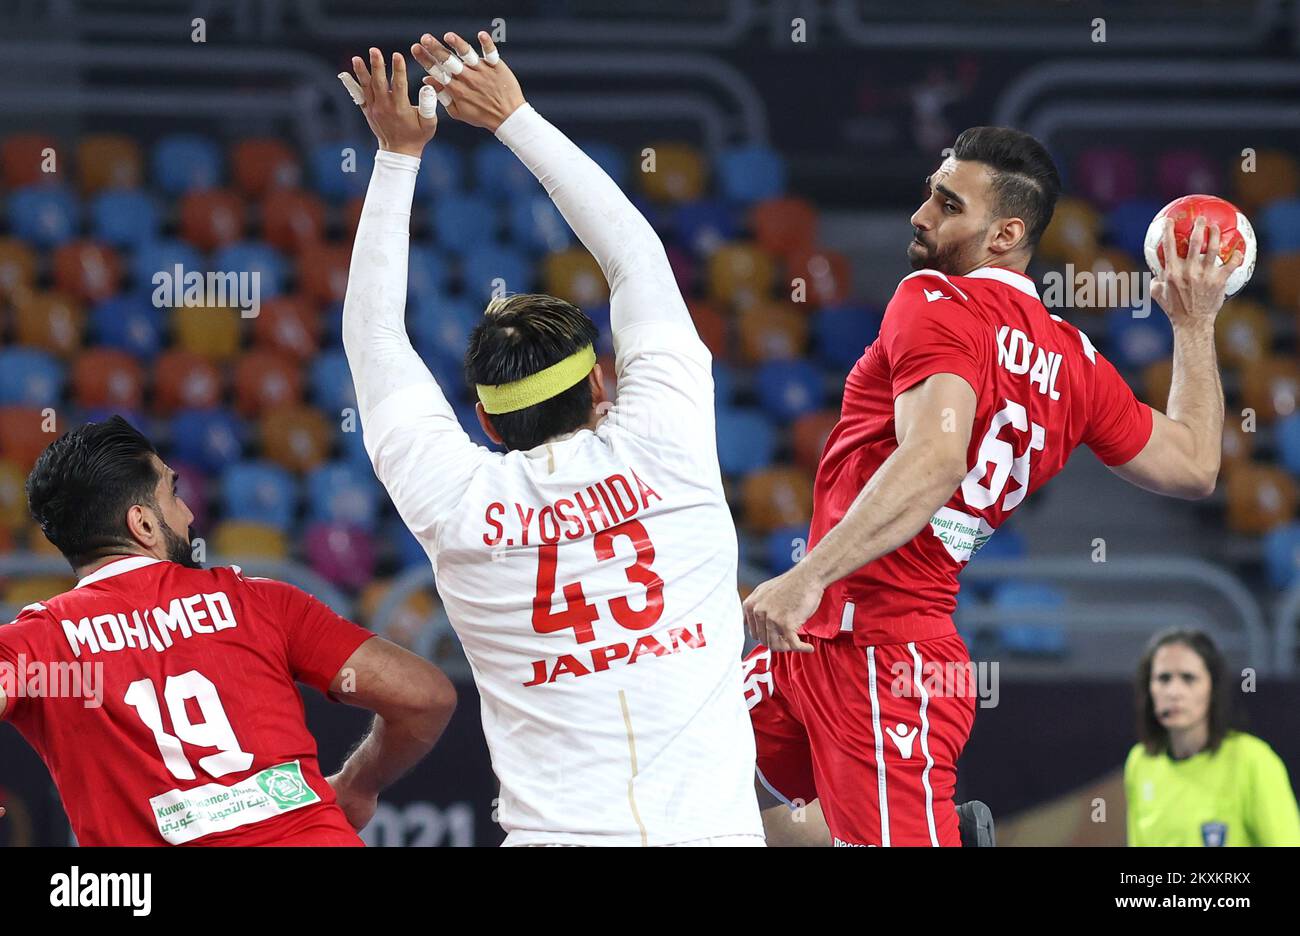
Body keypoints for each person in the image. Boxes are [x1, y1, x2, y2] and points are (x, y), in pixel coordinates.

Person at [743, 127, 1245, 846]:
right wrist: (1194, 328)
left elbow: (938, 456)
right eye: (929, 194)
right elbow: (1196, 462)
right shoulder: (1074, 361)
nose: (921, 216)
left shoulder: (933, 298)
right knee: (685, 791)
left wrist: (808, 575)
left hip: (886, 656)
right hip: (810, 643)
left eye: (947, 204)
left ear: (1005, 234)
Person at [338, 30, 762, 846]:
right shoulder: (667, 441)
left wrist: (396, 159)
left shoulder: (459, 503)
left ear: (487, 420)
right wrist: (515, 117)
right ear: (601, 383)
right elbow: (636, 258)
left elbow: (375, 343)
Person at [0, 416, 456, 845]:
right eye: (172, 494)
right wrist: (359, 784)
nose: (187, 514)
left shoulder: (43, 643)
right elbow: (424, 696)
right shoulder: (259, 602)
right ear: (141, 523)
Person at [1125, 628, 1300, 846]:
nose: (1173, 692)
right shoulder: (1139, 763)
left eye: (1188, 678)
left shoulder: (1253, 759)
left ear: (1213, 688)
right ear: (1149, 688)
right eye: (1163, 678)